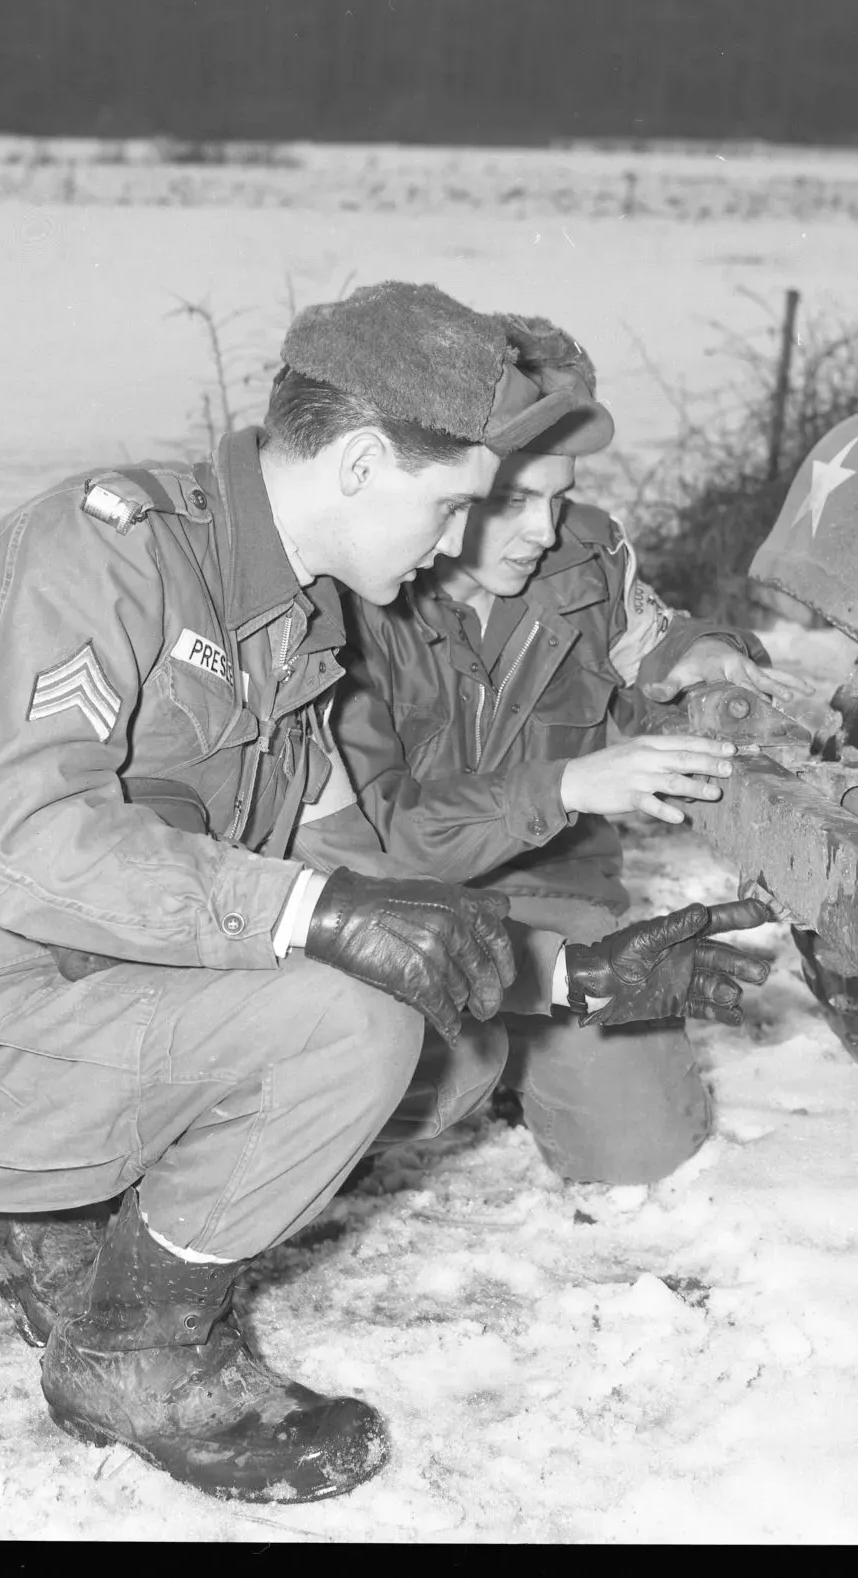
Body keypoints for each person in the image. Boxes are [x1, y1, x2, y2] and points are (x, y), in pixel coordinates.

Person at [0, 282, 766, 1505]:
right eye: (451, 505)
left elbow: (364, 881)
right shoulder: (97, 554)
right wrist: (312, 918)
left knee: (431, 1029)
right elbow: (21, 840)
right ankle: (135, 1354)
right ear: (366, 463)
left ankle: (62, 1221)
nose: (453, 544)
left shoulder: (294, 618)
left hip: (92, 1020)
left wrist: (570, 977)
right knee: (352, 1021)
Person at [328, 313, 793, 1187]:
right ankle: (483, 1058)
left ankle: (534, 1049)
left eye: (558, 496)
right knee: (397, 1083)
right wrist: (577, 782)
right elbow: (380, 836)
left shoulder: (585, 550)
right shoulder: (352, 593)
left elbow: (648, 641)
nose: (543, 528)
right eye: (512, 500)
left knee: (646, 1153)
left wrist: (700, 656)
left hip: (555, 906)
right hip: (404, 907)